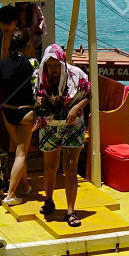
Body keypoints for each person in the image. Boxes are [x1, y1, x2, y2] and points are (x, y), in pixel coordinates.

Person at [0, 27, 38, 207]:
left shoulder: (1, 65)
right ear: (26, 45)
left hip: (7, 112)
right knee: (21, 153)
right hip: (25, 112)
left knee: (17, 151)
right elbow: (39, 88)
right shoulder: (31, 64)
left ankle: (24, 186)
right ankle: (10, 195)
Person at [31, 44, 91, 227]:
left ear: (63, 63)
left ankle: (71, 211)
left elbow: (89, 94)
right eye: (49, 65)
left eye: (56, 65)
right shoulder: (38, 77)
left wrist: (75, 107)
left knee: (70, 168)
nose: (53, 69)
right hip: (49, 124)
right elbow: (34, 94)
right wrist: (39, 100)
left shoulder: (77, 75)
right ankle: (49, 200)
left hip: (73, 125)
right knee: (50, 166)